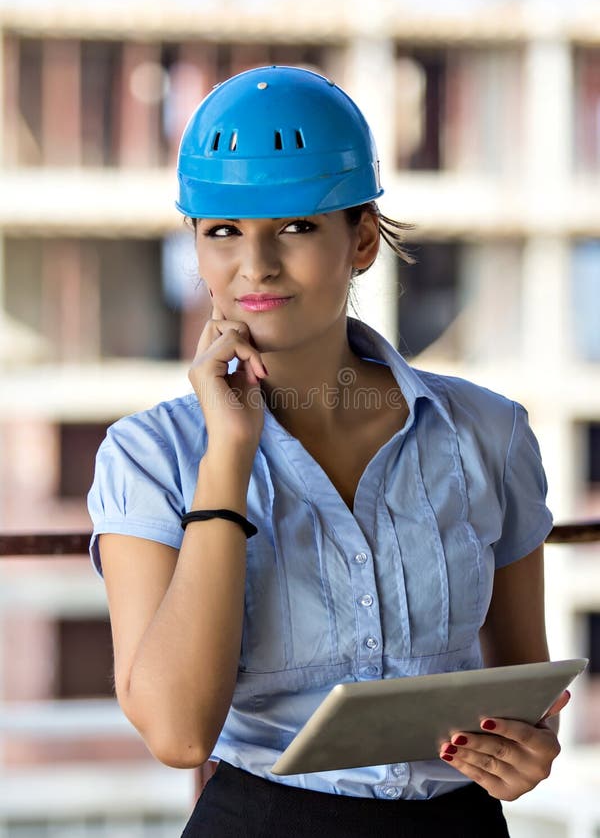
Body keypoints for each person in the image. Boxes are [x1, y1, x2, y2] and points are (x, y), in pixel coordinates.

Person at [87, 65, 569, 838]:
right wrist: (230, 455)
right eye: (223, 232)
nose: (257, 266)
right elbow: (178, 736)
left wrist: (525, 753)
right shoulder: (151, 455)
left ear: (364, 240)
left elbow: (521, 693)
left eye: (297, 226)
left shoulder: (489, 433)